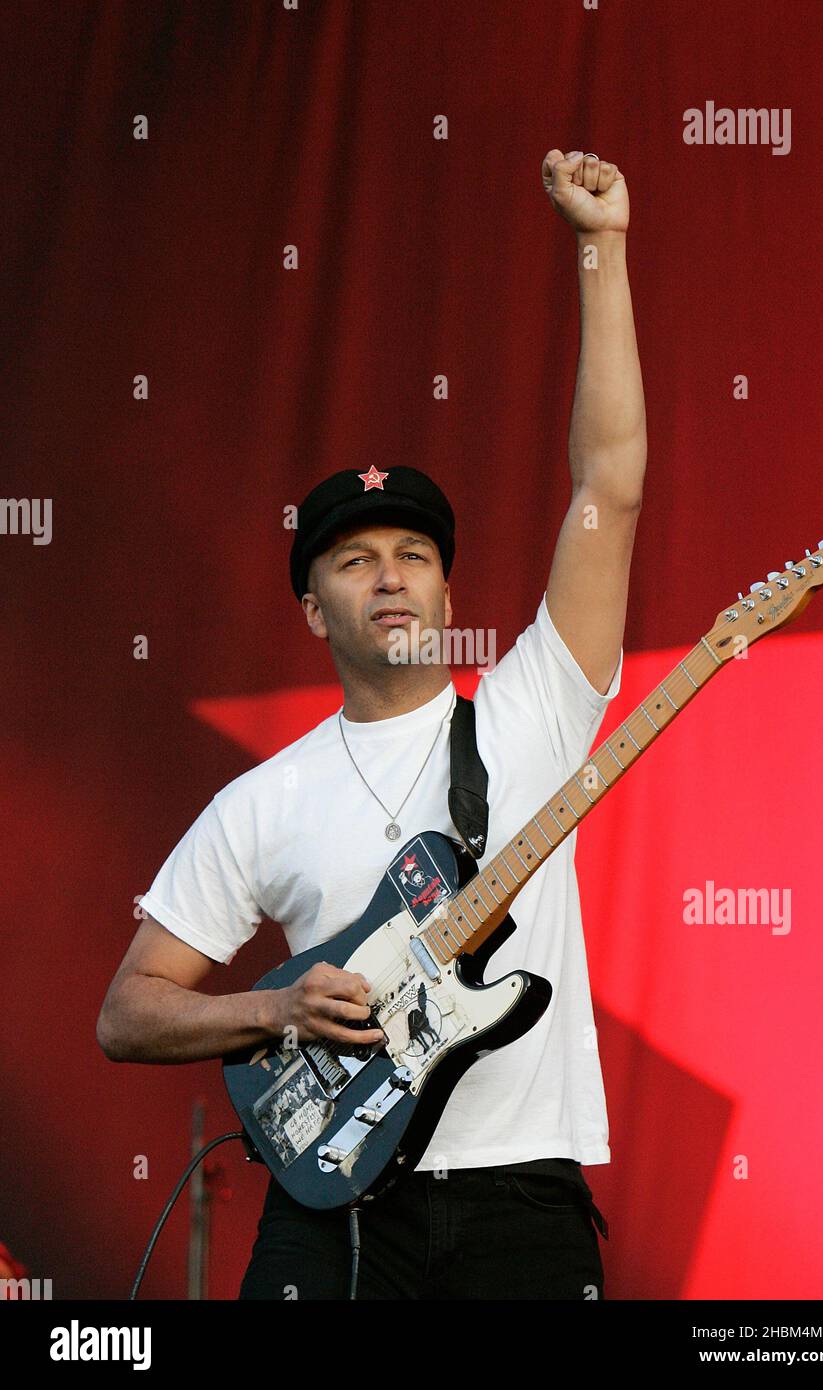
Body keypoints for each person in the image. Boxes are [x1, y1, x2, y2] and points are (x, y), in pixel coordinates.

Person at [97, 149, 646, 1299]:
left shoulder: (533, 706)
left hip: (520, 1200)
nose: (388, 577)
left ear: (449, 593)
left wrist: (603, 246)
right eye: (354, 560)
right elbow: (127, 1012)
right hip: (336, 1213)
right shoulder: (259, 800)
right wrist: (272, 1005)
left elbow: (610, 480)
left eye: (413, 556)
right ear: (314, 608)